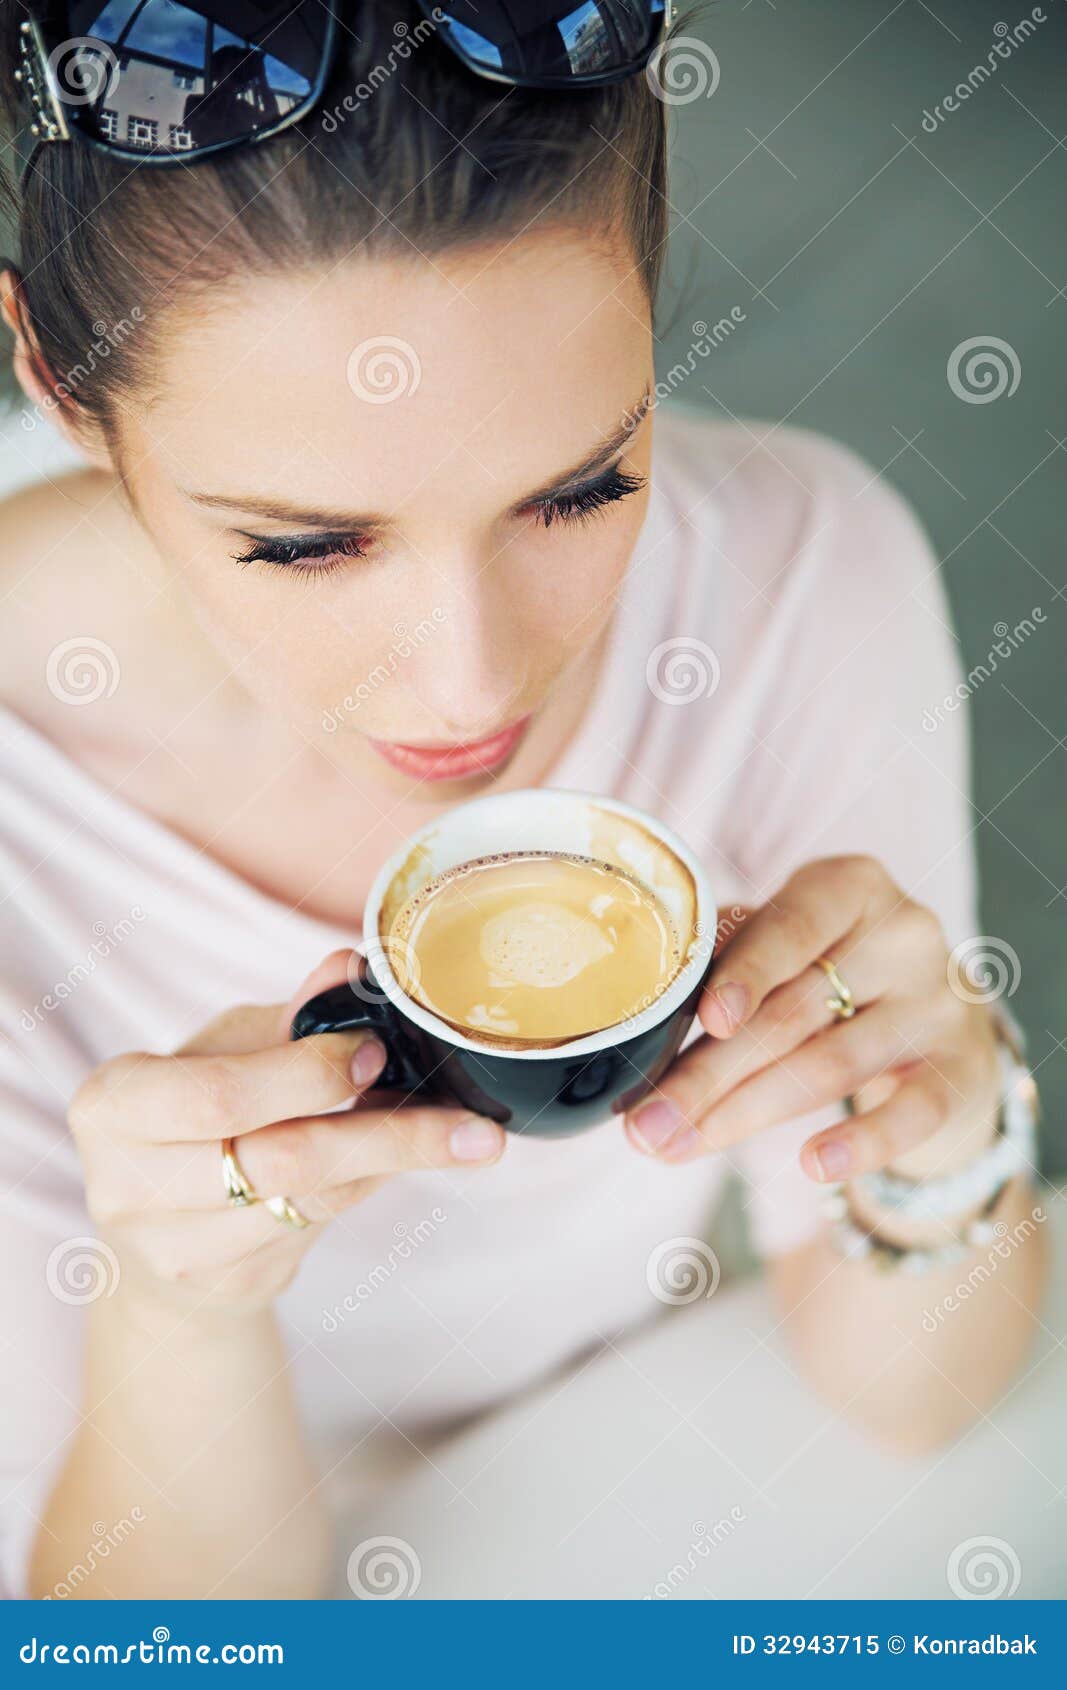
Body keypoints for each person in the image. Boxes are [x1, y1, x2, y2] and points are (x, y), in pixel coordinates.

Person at [0, 0, 1044, 1600]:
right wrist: (177, 1308)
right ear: (57, 389)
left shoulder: (796, 578)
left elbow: (920, 1391)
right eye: (305, 544)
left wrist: (941, 1109)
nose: (472, 690)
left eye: (580, 487)